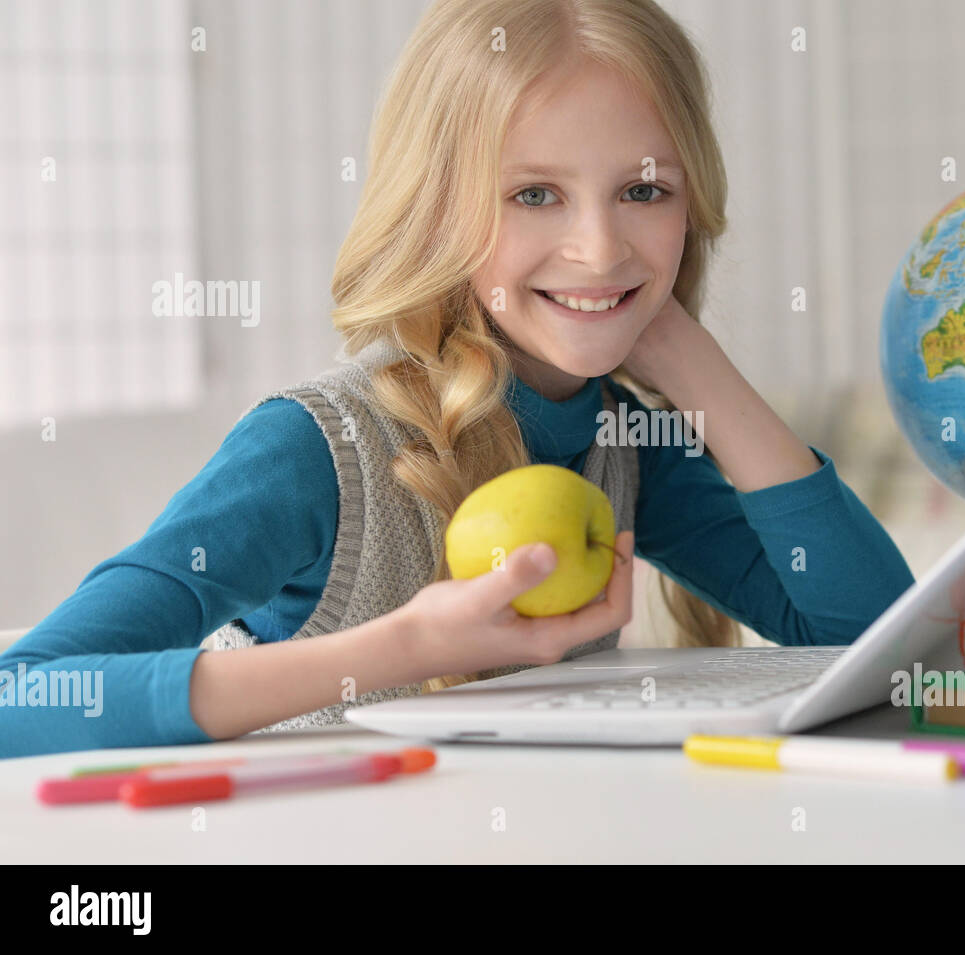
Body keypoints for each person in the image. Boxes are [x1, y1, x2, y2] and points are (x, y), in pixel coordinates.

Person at [0, 0, 914, 759]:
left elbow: (877, 642)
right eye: (533, 194)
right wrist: (404, 648)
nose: (598, 249)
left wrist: (690, 359)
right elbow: (24, 696)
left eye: (643, 191)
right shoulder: (317, 450)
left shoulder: (626, 443)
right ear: (439, 209)